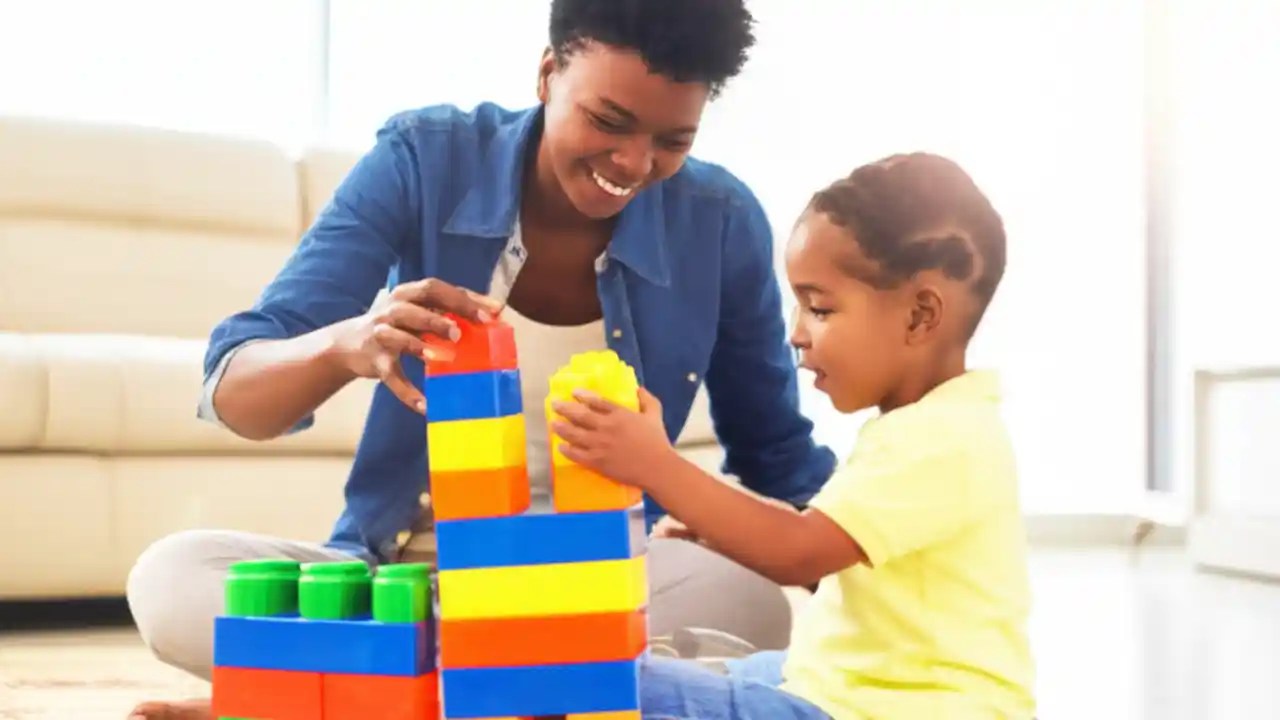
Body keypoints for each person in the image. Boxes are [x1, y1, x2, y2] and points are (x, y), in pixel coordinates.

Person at [124, 1, 837, 718]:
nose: (633, 163)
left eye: (672, 140)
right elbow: (236, 393)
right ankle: (505, 693)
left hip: (595, 589)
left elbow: (776, 453)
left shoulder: (719, 220)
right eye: (609, 121)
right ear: (548, 72)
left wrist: (900, 562)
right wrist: (351, 342)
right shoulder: (424, 158)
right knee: (171, 581)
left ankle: (344, 696)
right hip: (409, 580)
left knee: (747, 604)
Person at [553, 152, 1036, 719]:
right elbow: (830, 554)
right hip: (861, 683)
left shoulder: (940, 439)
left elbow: (801, 554)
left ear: (919, 315)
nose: (796, 334)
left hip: (892, 708)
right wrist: (718, 529)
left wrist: (654, 464)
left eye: (820, 308)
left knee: (618, 688)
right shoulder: (930, 425)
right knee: (696, 672)